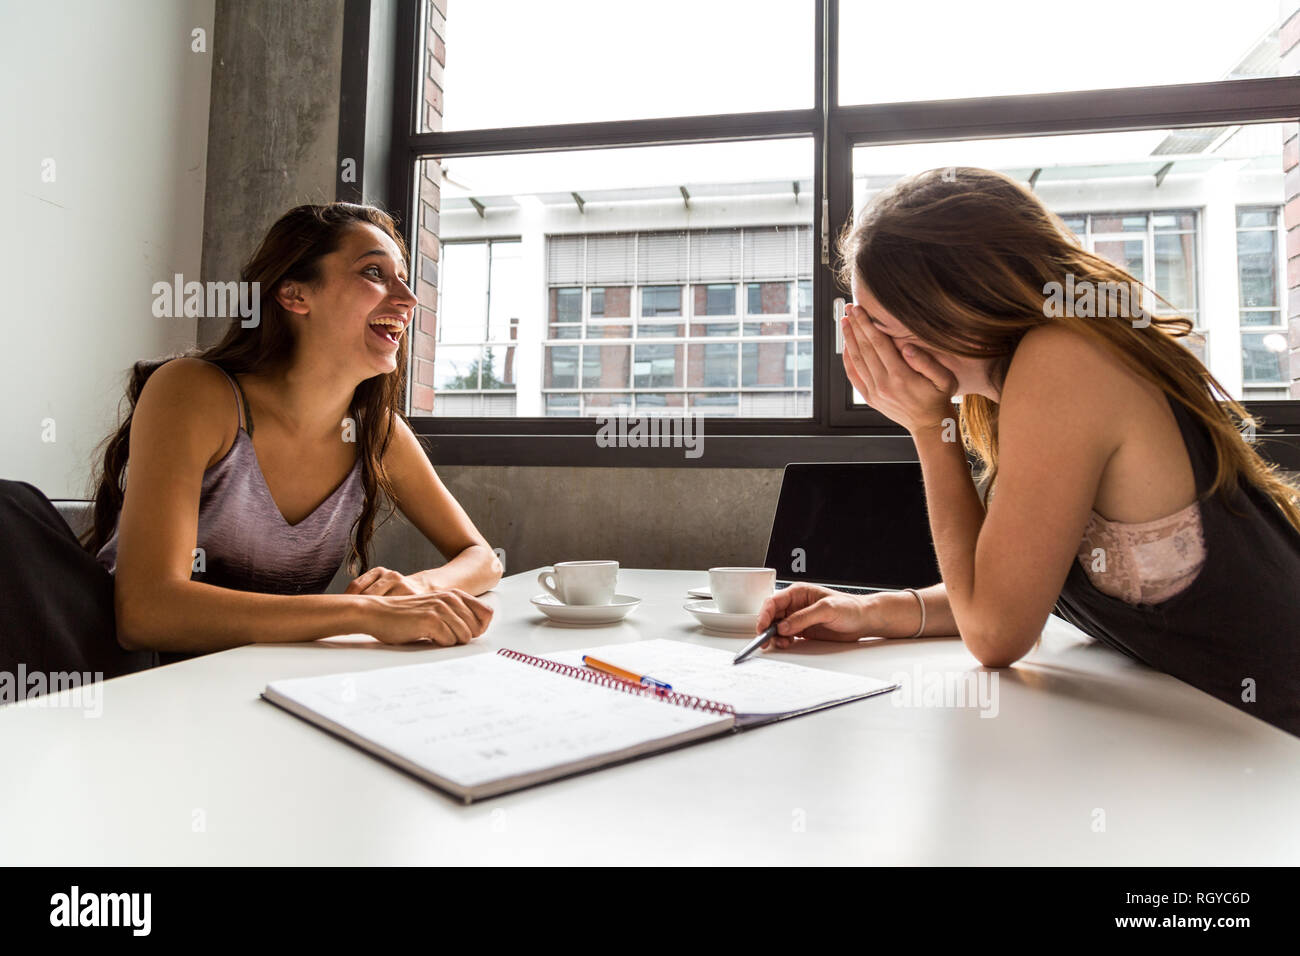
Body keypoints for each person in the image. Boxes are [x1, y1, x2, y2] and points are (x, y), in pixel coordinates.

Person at [757, 167, 1300, 736]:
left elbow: (995, 634)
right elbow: (1013, 588)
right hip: (1226, 740)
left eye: (881, 326)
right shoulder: (1022, 382)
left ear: (952, 304)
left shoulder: (1063, 360)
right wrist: (867, 612)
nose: (870, 345)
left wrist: (927, 425)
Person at [0, 203, 500, 687]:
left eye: (405, 279)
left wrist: (417, 590)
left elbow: (482, 557)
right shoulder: (195, 391)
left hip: (247, 682)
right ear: (295, 295)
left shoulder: (376, 433)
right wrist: (362, 612)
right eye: (374, 273)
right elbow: (146, 612)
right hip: (119, 667)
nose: (408, 299)